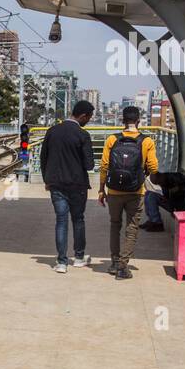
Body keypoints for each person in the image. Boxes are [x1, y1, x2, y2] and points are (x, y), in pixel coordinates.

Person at [98, 106, 159, 279]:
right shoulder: (146, 141)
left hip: (114, 192)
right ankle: (123, 267)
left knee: (114, 225)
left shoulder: (112, 139)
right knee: (131, 228)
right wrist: (142, 173)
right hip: (136, 191)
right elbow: (154, 167)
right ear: (138, 121)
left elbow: (103, 167)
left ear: (122, 120)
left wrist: (101, 190)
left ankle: (114, 262)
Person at [39, 100, 95, 273]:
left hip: (56, 184)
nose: (89, 121)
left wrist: (47, 180)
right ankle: (78, 258)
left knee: (61, 221)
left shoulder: (52, 131)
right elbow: (89, 165)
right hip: (77, 185)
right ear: (83, 116)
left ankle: (62, 262)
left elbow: (43, 158)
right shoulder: (82, 135)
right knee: (78, 220)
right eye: (89, 118)